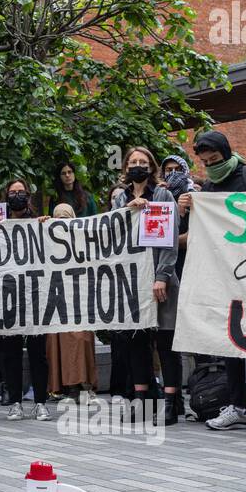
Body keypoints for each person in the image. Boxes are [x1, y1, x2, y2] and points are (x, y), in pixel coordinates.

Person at [180, 132, 246, 435]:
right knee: (230, 341)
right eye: (204, 162)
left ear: (227, 154)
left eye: (214, 160)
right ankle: (238, 406)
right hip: (227, 275)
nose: (210, 166)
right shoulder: (211, 188)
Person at [108, 148, 180, 423]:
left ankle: (172, 402)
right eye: (133, 162)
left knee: (165, 341)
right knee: (136, 342)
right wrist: (127, 211)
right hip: (132, 280)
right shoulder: (120, 199)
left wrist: (162, 275)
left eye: (143, 162)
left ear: (151, 167)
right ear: (126, 167)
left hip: (158, 278)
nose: (138, 166)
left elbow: (170, 237)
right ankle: (141, 399)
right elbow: (110, 233)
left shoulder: (162, 195)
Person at [0, 178, 51, 420]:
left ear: (28, 197)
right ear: (6, 196)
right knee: (10, 352)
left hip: (34, 295)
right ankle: (15, 402)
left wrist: (47, 227)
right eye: (12, 192)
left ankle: (40, 401)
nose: (16, 195)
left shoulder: (37, 223)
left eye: (21, 192)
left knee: (38, 353)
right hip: (8, 296)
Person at [44, 203, 98, 402]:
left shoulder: (82, 241)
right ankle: (66, 387)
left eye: (65, 219)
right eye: (57, 219)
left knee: (81, 339)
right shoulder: (47, 241)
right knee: (56, 341)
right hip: (57, 302)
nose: (61, 224)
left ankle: (85, 385)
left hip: (79, 301)